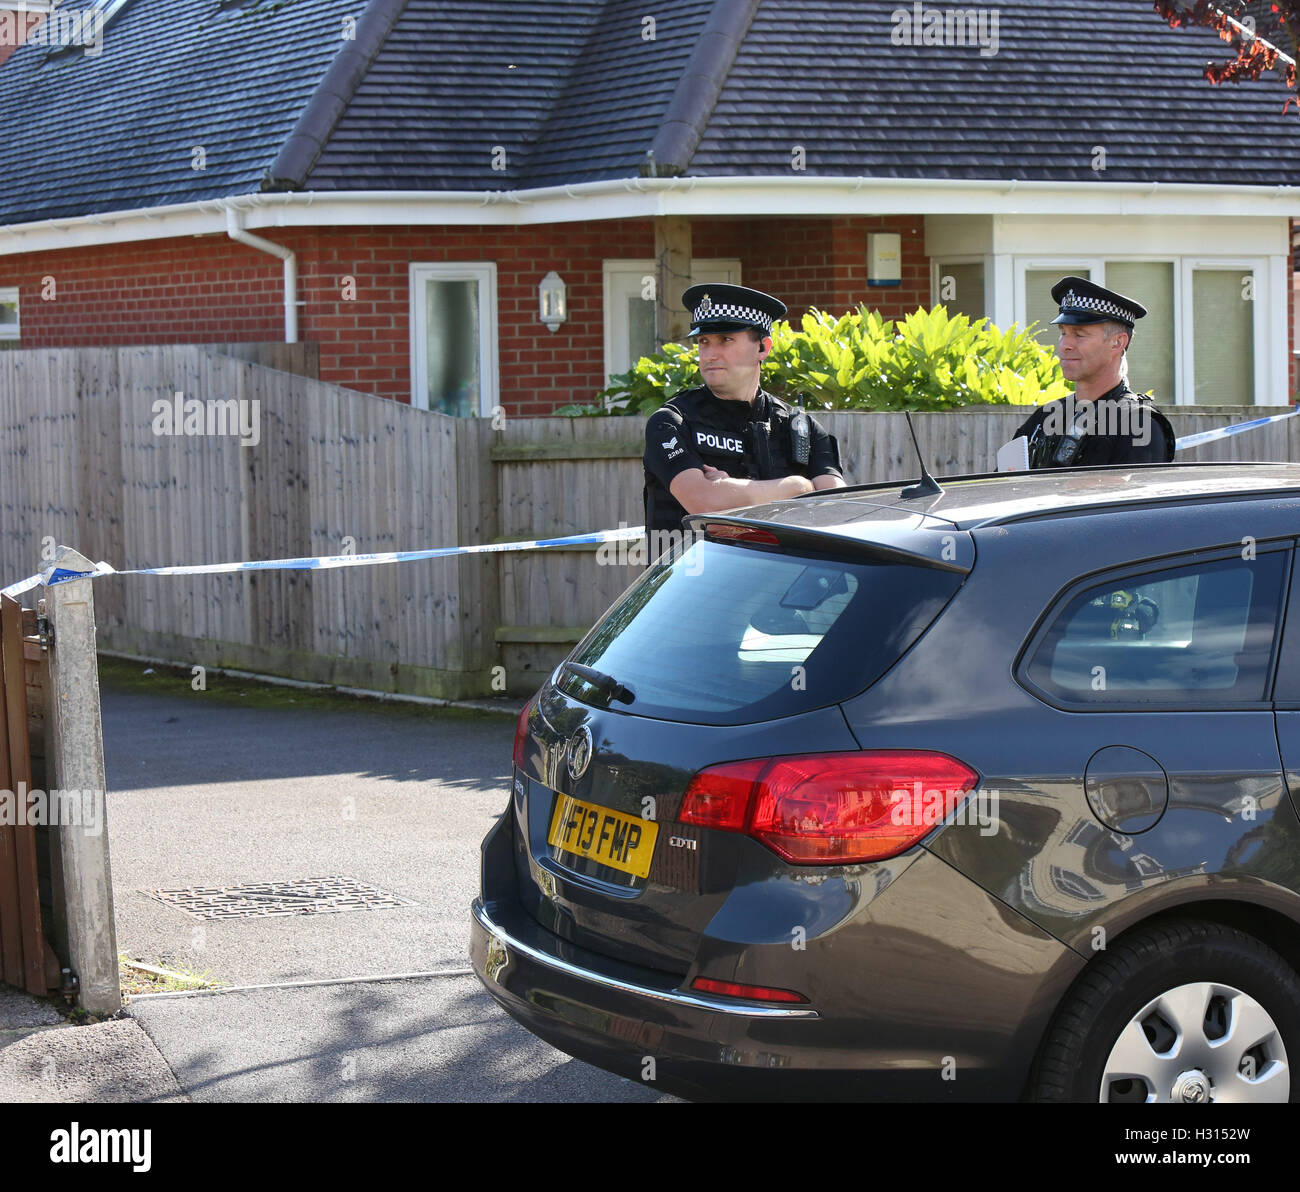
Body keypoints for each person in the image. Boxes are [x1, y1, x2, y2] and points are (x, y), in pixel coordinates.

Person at [642, 283, 846, 537]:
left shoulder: (801, 427)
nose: (709, 354)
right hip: (694, 574)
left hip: (779, 574)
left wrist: (732, 492)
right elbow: (705, 506)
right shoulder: (672, 422)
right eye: (704, 341)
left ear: (763, 348)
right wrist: (799, 487)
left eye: (725, 340)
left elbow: (836, 510)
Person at [1013, 276, 1175, 469]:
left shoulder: (1139, 424)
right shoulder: (1045, 417)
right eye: (1063, 333)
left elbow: (1130, 499)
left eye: (1079, 334)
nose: (1064, 345)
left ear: (1117, 343)